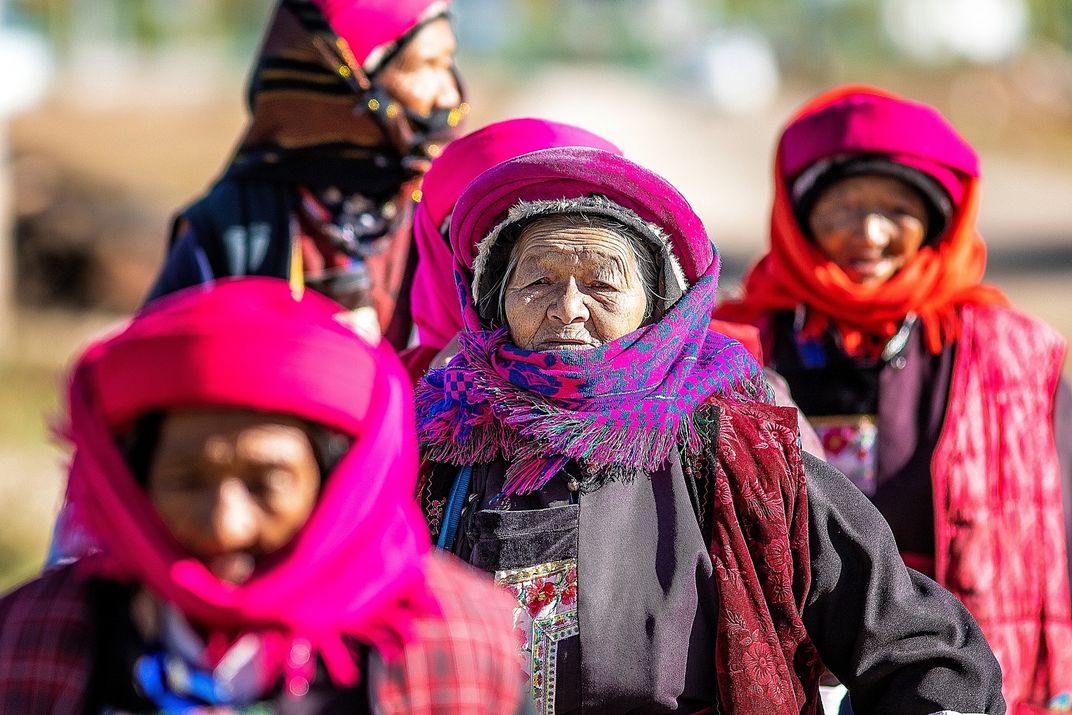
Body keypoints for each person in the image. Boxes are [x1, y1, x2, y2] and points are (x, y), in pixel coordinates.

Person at [413, 146, 1005, 713]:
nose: (567, 308)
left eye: (602, 283)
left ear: (658, 308)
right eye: (538, 282)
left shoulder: (740, 453)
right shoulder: (437, 440)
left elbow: (914, 644)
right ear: (494, 300)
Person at [0, 279, 527, 713]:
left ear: (338, 485)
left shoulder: (460, 643)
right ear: (135, 486)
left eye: (266, 484)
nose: (226, 525)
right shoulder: (30, 642)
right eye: (186, 481)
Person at [715, 85, 1072, 710]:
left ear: (936, 219)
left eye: (896, 209)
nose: (870, 234)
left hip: (956, 673)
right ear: (799, 218)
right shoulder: (734, 351)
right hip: (792, 671)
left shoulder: (1017, 354)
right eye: (843, 207)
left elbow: (1059, 522)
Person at [147, 0, 467, 349]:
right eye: (427, 65)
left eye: (449, 64)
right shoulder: (226, 231)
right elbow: (154, 371)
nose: (450, 94)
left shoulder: (449, 221)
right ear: (347, 77)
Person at [402, 117, 623, 379]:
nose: (568, 308)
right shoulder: (386, 392)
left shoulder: (674, 397)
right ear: (435, 247)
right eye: (480, 236)